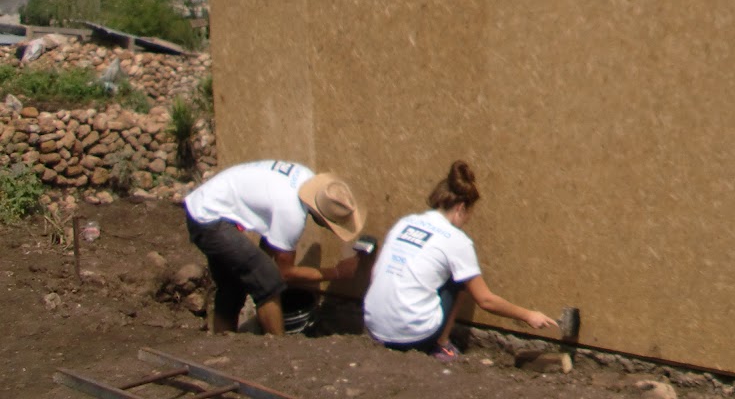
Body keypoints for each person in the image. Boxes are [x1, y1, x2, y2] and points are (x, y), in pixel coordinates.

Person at [363, 160, 560, 360]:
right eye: (469, 214)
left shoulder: (405, 223)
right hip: (410, 337)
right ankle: (441, 345)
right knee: (460, 279)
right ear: (460, 208)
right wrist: (528, 315)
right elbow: (485, 300)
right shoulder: (455, 240)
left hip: (373, 327)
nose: (467, 220)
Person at [183, 159, 365, 334]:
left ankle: (223, 342)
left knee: (233, 286)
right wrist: (337, 273)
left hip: (207, 202)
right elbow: (283, 273)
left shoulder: (305, 177)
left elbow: (270, 244)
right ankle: (278, 349)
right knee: (268, 283)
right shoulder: (292, 215)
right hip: (208, 218)